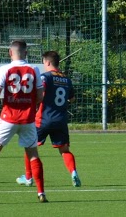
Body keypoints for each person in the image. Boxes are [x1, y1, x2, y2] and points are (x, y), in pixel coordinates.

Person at [0, 39, 45, 204]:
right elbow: (40, 96)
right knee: (33, 155)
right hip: (28, 119)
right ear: (26, 53)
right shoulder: (34, 69)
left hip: (8, 118)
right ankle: (41, 193)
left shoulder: (5, 69)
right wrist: (32, 105)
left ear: (10, 53)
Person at [34, 50, 82, 187]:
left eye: (43, 62)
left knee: (30, 147)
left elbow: (40, 93)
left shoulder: (45, 77)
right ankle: (73, 172)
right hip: (60, 120)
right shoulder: (66, 79)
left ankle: (29, 177)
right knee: (64, 150)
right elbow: (72, 99)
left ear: (48, 62)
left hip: (43, 119)